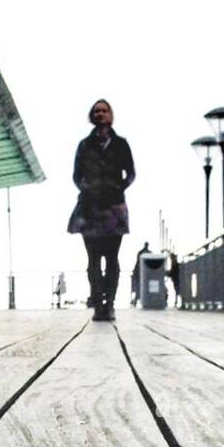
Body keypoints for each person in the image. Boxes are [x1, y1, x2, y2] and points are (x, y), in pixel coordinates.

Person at [66, 99, 135, 322]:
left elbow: (131, 173)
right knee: (93, 259)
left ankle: (110, 304)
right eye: (96, 111)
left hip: (114, 207)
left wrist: (119, 187)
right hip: (90, 207)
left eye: (104, 111)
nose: (100, 114)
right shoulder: (84, 146)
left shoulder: (121, 144)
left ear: (110, 115)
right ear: (91, 116)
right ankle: (98, 304)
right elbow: (76, 176)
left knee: (113, 258)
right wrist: (87, 189)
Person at [130, 241, 150, 306]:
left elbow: (137, 261)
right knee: (143, 287)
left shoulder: (140, 253)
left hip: (139, 272)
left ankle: (137, 299)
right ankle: (142, 299)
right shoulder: (149, 253)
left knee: (137, 287)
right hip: (145, 273)